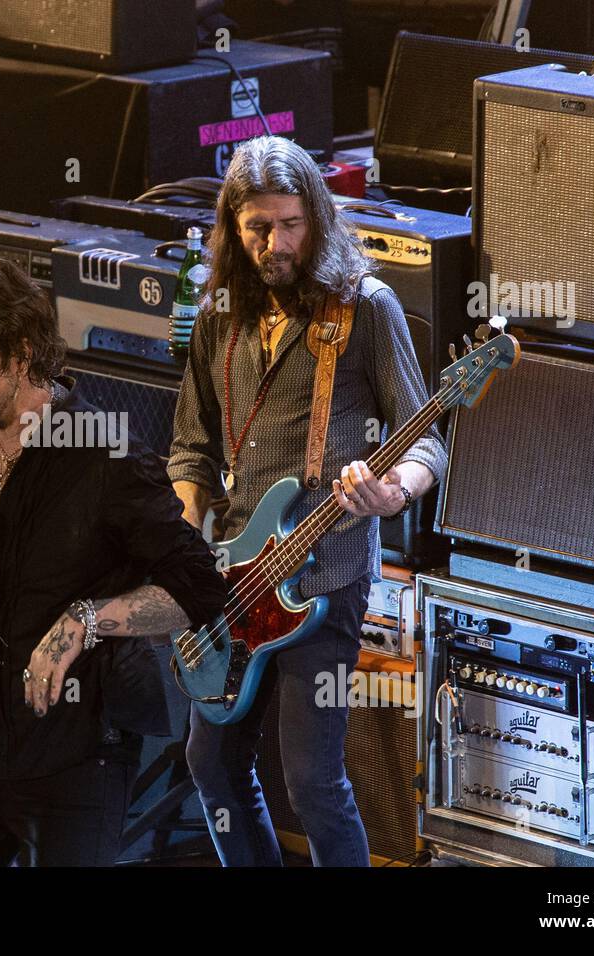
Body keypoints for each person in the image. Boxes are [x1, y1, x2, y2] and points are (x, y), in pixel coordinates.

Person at [168, 135, 448, 867]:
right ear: (232, 225)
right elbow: (193, 447)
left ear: (317, 221)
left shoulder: (365, 310)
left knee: (312, 781)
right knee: (212, 764)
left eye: (291, 225)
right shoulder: (218, 314)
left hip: (326, 578)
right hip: (231, 574)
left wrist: (393, 492)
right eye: (258, 227)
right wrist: (186, 531)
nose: (276, 243)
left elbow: (427, 442)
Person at [0, 258, 228, 867]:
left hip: (76, 761)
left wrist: (87, 618)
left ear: (22, 351)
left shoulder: (102, 451)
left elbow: (199, 585)